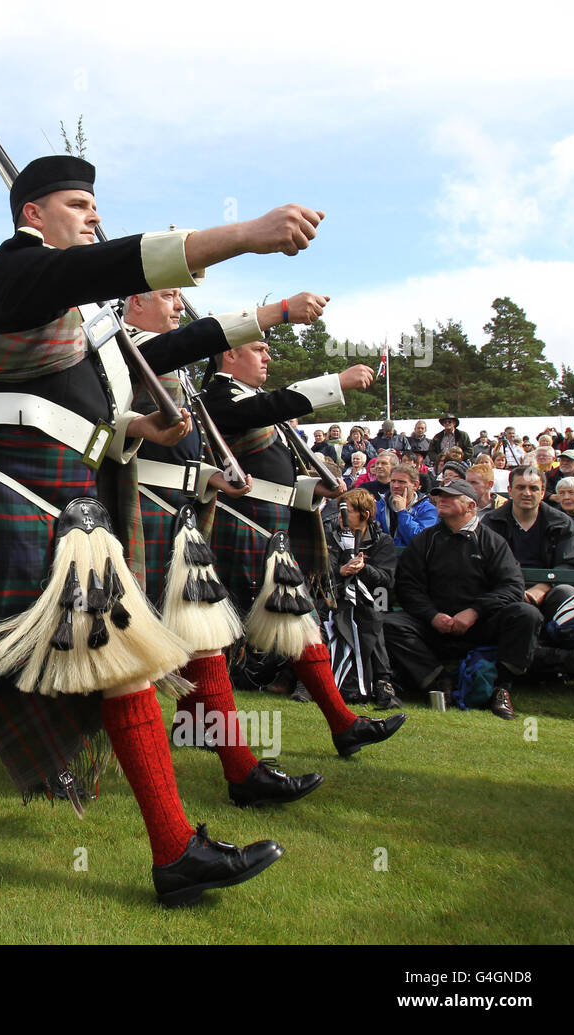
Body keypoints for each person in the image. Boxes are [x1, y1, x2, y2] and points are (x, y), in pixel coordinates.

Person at [0, 155, 329, 904]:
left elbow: (140, 376)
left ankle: (175, 851)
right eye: (78, 204)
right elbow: (120, 262)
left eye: (94, 205)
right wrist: (243, 235)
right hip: (9, 503)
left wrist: (254, 329)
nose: (93, 216)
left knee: (126, 669)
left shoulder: (68, 324)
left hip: (69, 509)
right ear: (33, 214)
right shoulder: (16, 268)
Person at [125, 283, 326, 807]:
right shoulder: (124, 352)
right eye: (166, 295)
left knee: (204, 638)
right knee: (114, 647)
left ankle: (242, 770)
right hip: (138, 510)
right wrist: (276, 313)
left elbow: (182, 448)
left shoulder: (179, 372)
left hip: (179, 513)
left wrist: (208, 476)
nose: (176, 304)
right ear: (134, 305)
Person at [200, 337, 406, 757]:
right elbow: (268, 409)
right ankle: (206, 726)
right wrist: (336, 383)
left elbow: (273, 473)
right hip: (242, 525)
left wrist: (315, 489)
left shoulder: (251, 399)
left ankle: (342, 723)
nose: (268, 357)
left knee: (287, 626)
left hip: (268, 526)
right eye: (258, 348)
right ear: (229, 355)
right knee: (214, 632)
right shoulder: (218, 396)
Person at [382, 479, 538, 720]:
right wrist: (432, 615)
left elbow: (512, 586)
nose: (441, 500)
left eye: (450, 496)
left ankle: (502, 688)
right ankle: (438, 681)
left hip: (481, 625)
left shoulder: (492, 541)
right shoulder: (426, 540)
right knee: (389, 624)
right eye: (439, 496)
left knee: (526, 615)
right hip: (434, 626)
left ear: (471, 505)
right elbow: (408, 586)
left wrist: (475, 611)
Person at [323, 488, 400, 708]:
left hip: (376, 596)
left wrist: (363, 569)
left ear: (364, 515)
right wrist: (341, 571)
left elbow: (386, 580)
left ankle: (381, 682)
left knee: (370, 615)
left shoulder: (382, 541)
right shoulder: (332, 536)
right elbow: (322, 574)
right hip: (336, 594)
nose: (340, 517)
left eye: (347, 512)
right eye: (339, 512)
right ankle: (312, 681)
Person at [481, 465, 574, 609]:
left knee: (566, 592)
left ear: (542, 493)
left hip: (549, 590)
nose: (527, 493)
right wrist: (511, 590)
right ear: (510, 490)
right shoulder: (491, 522)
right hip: (502, 589)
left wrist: (543, 587)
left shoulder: (562, 523)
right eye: (520, 487)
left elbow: (570, 565)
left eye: (533, 488)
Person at [375, 462, 437, 547]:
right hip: (384, 557)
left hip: (414, 558)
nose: (395, 486)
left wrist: (402, 512)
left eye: (401, 482)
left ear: (415, 485)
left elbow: (420, 541)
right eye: (393, 481)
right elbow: (373, 537)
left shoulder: (428, 509)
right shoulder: (380, 505)